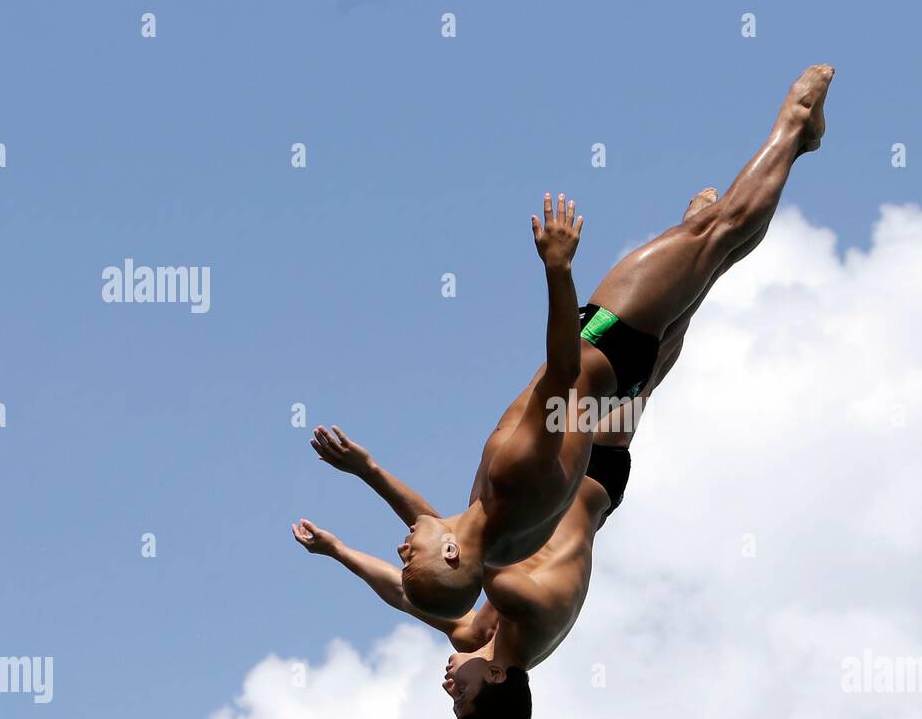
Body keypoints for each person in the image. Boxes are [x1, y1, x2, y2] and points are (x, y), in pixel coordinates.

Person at [319, 65, 835, 623]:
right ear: (449, 553)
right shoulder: (512, 475)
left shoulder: (500, 541)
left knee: (713, 257)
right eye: (409, 559)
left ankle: (786, 153)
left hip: (618, 386)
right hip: (604, 343)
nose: (400, 549)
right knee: (715, 230)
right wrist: (558, 270)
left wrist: (369, 470)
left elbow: (438, 528)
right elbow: (563, 375)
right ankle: (796, 125)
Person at [292, 184, 770, 719]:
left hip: (591, 474)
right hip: (590, 466)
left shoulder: (478, 633)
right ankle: (782, 144)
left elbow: (412, 585)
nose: (449, 689)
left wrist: (338, 551)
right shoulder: (526, 608)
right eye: (462, 698)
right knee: (672, 291)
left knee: (665, 330)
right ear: (496, 676)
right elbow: (454, 545)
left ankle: (698, 256)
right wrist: (558, 272)